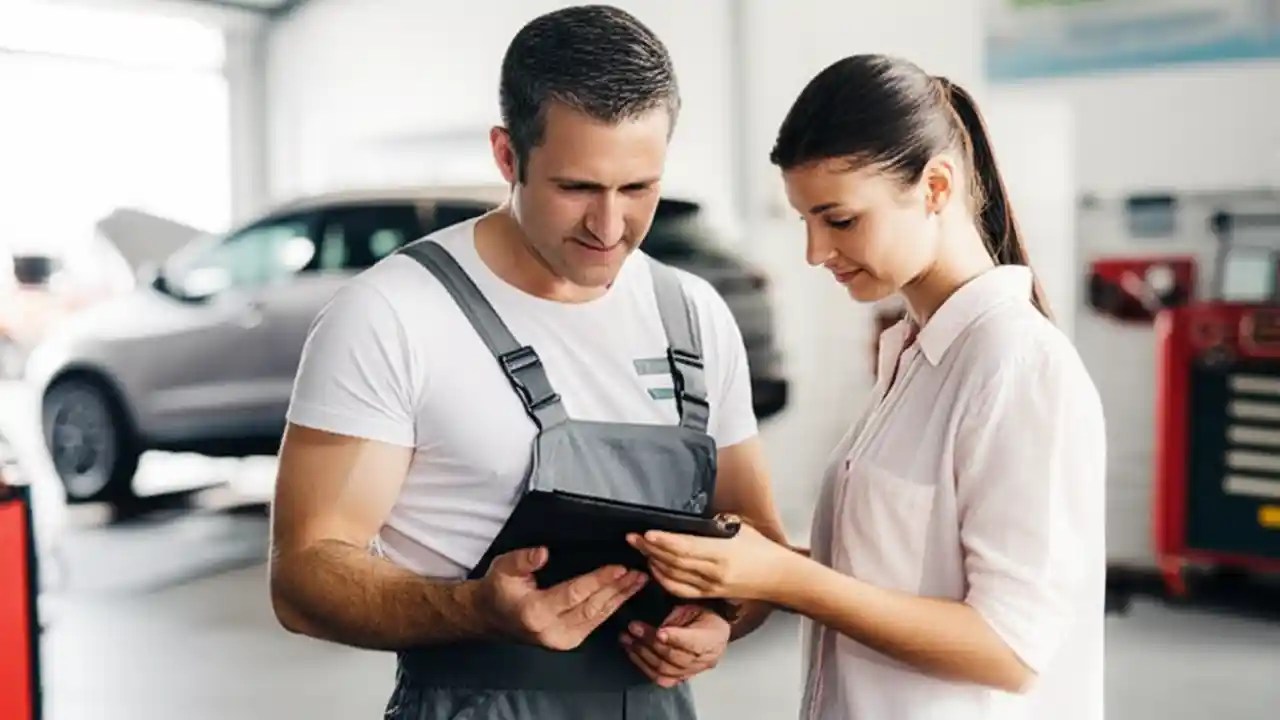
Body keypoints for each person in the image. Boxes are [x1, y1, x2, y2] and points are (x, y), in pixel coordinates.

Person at [266, 5, 786, 719]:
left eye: (638, 189)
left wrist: (724, 619)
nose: (609, 228)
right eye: (576, 188)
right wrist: (473, 610)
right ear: (507, 156)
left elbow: (759, 547)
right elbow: (303, 576)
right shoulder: (391, 316)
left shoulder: (692, 314)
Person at [630, 54, 1106, 720]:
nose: (815, 251)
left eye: (840, 219)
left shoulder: (1017, 365)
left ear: (936, 188)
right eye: (804, 221)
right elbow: (887, 579)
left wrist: (785, 577)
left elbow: (1010, 648)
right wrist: (738, 576)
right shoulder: (916, 358)